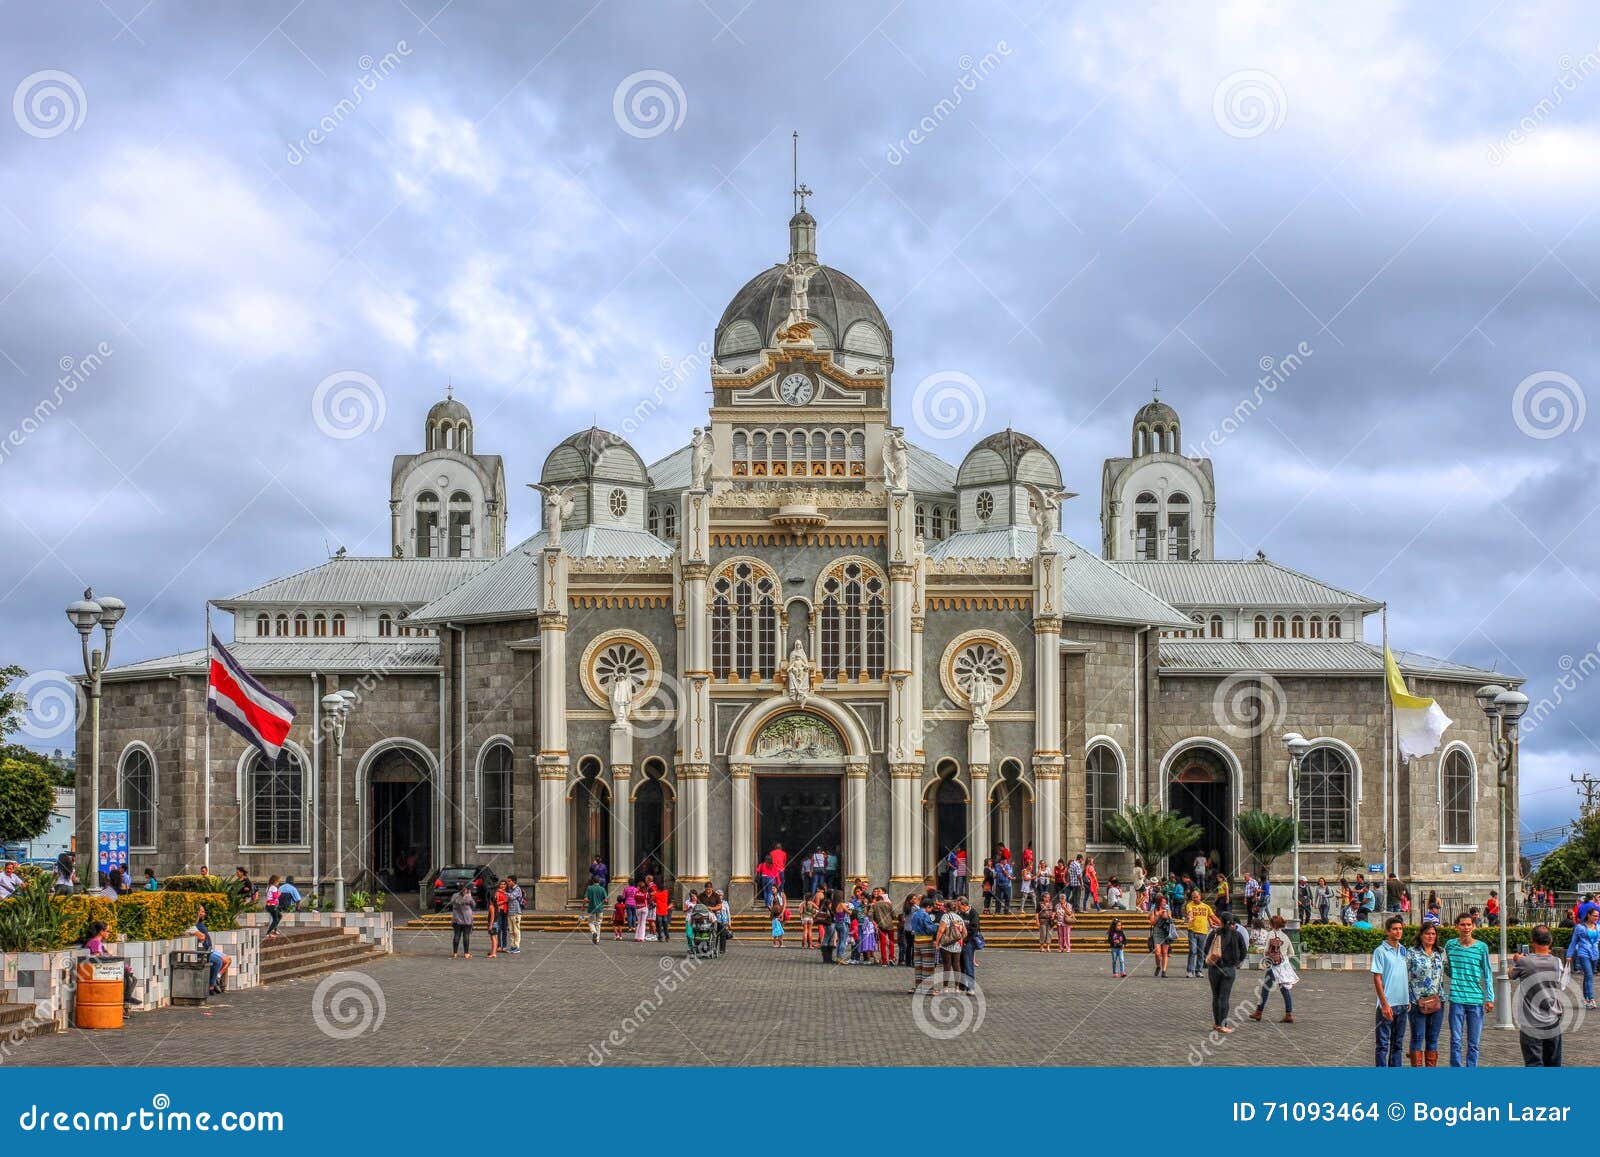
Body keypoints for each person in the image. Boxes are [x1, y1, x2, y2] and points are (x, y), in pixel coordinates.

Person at [1444, 911, 1495, 1067]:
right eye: (1462, 925)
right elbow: (1449, 970)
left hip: (1475, 1000)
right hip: (1456, 998)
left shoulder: (1481, 947)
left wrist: (1490, 998)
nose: (1466, 928)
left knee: (1474, 1042)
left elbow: (1487, 973)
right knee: (1456, 1040)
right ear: (1456, 926)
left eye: (1468, 925)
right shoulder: (1450, 945)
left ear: (1473, 926)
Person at [1511, 925, 1566, 1066]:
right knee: (1553, 1064)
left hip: (1530, 1023)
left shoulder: (1524, 962)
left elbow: (1511, 974)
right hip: (1552, 1020)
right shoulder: (1557, 962)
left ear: (1532, 942)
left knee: (1534, 1064)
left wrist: (1517, 960)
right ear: (1551, 941)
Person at [1371, 915, 1411, 1066]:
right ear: (1387, 931)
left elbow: (1404, 975)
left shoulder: (1403, 950)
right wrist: (1384, 1003)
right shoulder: (1380, 951)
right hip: (1387, 1005)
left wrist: (1407, 999)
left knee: (1397, 1045)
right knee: (1382, 1045)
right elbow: (1377, 978)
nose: (1398, 932)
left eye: (1400, 929)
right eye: (1394, 929)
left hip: (1402, 1004)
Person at [1406, 920, 1445, 1066]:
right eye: (1427, 933)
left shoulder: (1440, 953)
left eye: (1433, 933)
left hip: (1437, 1000)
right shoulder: (1411, 953)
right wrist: (1407, 998)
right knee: (1417, 1036)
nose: (1430, 936)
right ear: (1421, 935)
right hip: (1417, 1001)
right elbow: (1405, 975)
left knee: (1433, 1038)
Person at [1202, 911, 1246, 1032]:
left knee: (1216, 996)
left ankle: (1217, 1023)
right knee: (1224, 997)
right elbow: (1243, 951)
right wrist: (1237, 961)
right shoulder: (1236, 935)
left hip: (1214, 968)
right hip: (1229, 969)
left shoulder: (1214, 933)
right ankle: (1223, 1024)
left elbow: (1206, 949)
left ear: (1221, 921)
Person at [1250, 914, 1297, 1023]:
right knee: (1284, 988)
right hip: (1283, 965)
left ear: (1272, 924)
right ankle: (1288, 1013)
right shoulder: (1285, 936)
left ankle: (1259, 1012)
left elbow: (1266, 950)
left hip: (1273, 965)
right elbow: (1292, 953)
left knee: (1265, 989)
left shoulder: (1271, 934)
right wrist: (1283, 958)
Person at [1564, 903, 1599, 1010]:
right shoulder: (1579, 927)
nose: (1596, 918)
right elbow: (1573, 942)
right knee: (1589, 975)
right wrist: (1569, 955)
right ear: (1588, 915)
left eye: (1598, 916)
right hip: (1583, 953)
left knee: (1588, 976)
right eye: (1594, 915)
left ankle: (1586, 998)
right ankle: (1591, 999)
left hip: (1595, 954)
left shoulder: (1598, 927)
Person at [906, 896, 939, 992]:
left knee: (919, 965)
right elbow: (929, 928)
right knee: (927, 965)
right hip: (926, 941)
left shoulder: (915, 914)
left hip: (917, 941)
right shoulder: (925, 915)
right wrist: (936, 926)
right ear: (928, 906)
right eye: (931, 908)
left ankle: (918, 986)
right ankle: (927, 988)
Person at [1185, 892, 1215, 978]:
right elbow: (1190, 912)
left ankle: (1198, 970)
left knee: (1201, 952)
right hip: (1192, 931)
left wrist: (1219, 923)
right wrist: (1190, 917)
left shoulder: (1206, 907)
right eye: (1193, 897)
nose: (1195, 899)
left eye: (1196, 897)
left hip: (1203, 932)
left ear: (1200, 897)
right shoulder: (1189, 905)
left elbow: (1211, 916)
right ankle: (1190, 971)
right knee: (1193, 950)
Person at [954, 895, 980, 991]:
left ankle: (971, 987)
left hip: (968, 942)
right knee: (960, 964)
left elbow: (974, 929)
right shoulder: (959, 913)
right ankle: (962, 986)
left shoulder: (973, 913)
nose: (958, 909)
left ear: (965, 905)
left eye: (959, 906)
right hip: (959, 941)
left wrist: (964, 938)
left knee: (968, 964)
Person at [1149, 896, 1174, 978]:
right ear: (1159, 902)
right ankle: (1158, 966)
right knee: (1157, 953)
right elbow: (1152, 922)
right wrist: (1158, 915)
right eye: (1163, 902)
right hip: (1157, 932)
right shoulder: (1154, 910)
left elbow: (1169, 919)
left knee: (1165, 952)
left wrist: (1166, 915)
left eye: (1165, 902)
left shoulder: (1167, 910)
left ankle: (1164, 971)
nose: (1165, 903)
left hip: (1165, 932)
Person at [449, 880, 474, 958]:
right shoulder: (468, 897)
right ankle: (466, 953)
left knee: (456, 935)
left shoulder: (454, 895)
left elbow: (451, 903)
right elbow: (474, 905)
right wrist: (469, 895)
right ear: (465, 889)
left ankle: (455, 953)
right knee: (466, 936)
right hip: (467, 919)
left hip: (456, 919)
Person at [583, 874, 607, 944]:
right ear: (599, 881)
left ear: (592, 881)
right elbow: (605, 900)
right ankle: (597, 939)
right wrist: (602, 902)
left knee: (591, 922)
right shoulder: (602, 889)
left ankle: (594, 933)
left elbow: (585, 899)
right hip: (600, 909)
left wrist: (583, 906)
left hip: (591, 908)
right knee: (598, 923)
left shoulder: (589, 888)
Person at [504, 876, 525, 953]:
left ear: (514, 881)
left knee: (516, 930)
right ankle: (512, 946)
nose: (508, 883)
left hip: (516, 912)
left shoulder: (517, 889)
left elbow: (512, 897)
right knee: (511, 931)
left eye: (509, 881)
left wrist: (504, 892)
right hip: (510, 912)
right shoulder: (510, 890)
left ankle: (517, 947)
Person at [263, 875, 283, 939]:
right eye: (278, 881)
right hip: (272, 906)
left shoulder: (268, 887)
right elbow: (275, 897)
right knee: (275, 919)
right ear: (274, 881)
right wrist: (279, 894)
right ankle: (268, 933)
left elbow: (268, 896)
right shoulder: (274, 888)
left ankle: (275, 930)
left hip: (269, 905)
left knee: (279, 916)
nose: (278, 883)